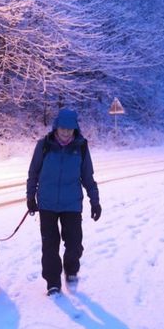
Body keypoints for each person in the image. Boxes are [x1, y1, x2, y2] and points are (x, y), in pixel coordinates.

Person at [26, 108, 101, 296]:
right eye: (62, 128)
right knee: (50, 246)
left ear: (75, 129)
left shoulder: (81, 147)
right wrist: (30, 197)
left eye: (70, 129)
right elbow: (33, 173)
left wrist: (95, 201)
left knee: (74, 243)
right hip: (47, 204)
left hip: (72, 205)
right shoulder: (44, 145)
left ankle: (71, 271)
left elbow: (88, 176)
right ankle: (52, 282)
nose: (66, 132)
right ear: (56, 127)